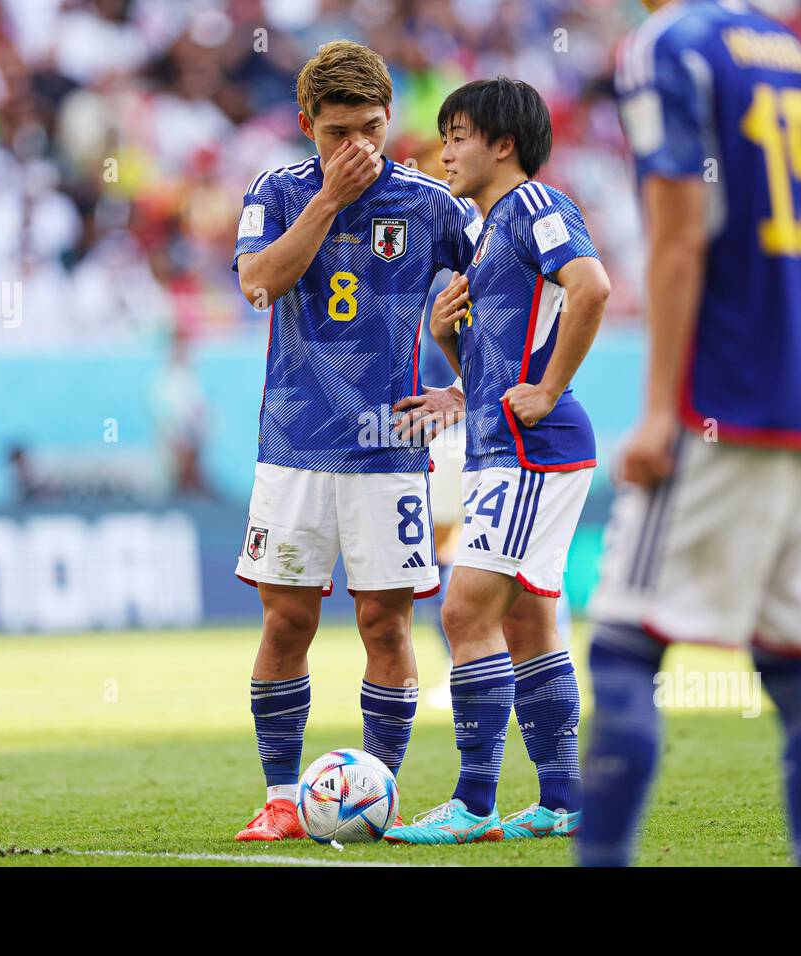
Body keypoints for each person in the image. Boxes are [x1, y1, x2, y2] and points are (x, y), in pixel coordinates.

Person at [577, 0, 801, 866]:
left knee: (622, 652)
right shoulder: (793, 54)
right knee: (799, 672)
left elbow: (679, 241)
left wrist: (658, 411)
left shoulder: (668, 47)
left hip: (722, 400)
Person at [229, 41, 478, 841]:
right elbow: (260, 282)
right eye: (338, 132)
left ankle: (380, 792)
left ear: (390, 118)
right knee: (286, 624)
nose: (356, 149)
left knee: (386, 626)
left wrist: (465, 387)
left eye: (370, 128)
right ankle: (278, 796)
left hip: (391, 450)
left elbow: (510, 289)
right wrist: (328, 202)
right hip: (295, 446)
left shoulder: (431, 203)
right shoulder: (277, 192)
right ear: (307, 124)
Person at [384, 77, 609, 845]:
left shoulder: (535, 207)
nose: (444, 149)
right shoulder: (489, 236)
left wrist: (549, 389)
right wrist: (452, 353)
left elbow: (593, 287)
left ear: (503, 144)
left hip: (529, 449)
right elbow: (495, 364)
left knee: (463, 611)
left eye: (458, 134)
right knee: (529, 624)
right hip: (506, 448)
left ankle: (474, 804)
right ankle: (564, 799)